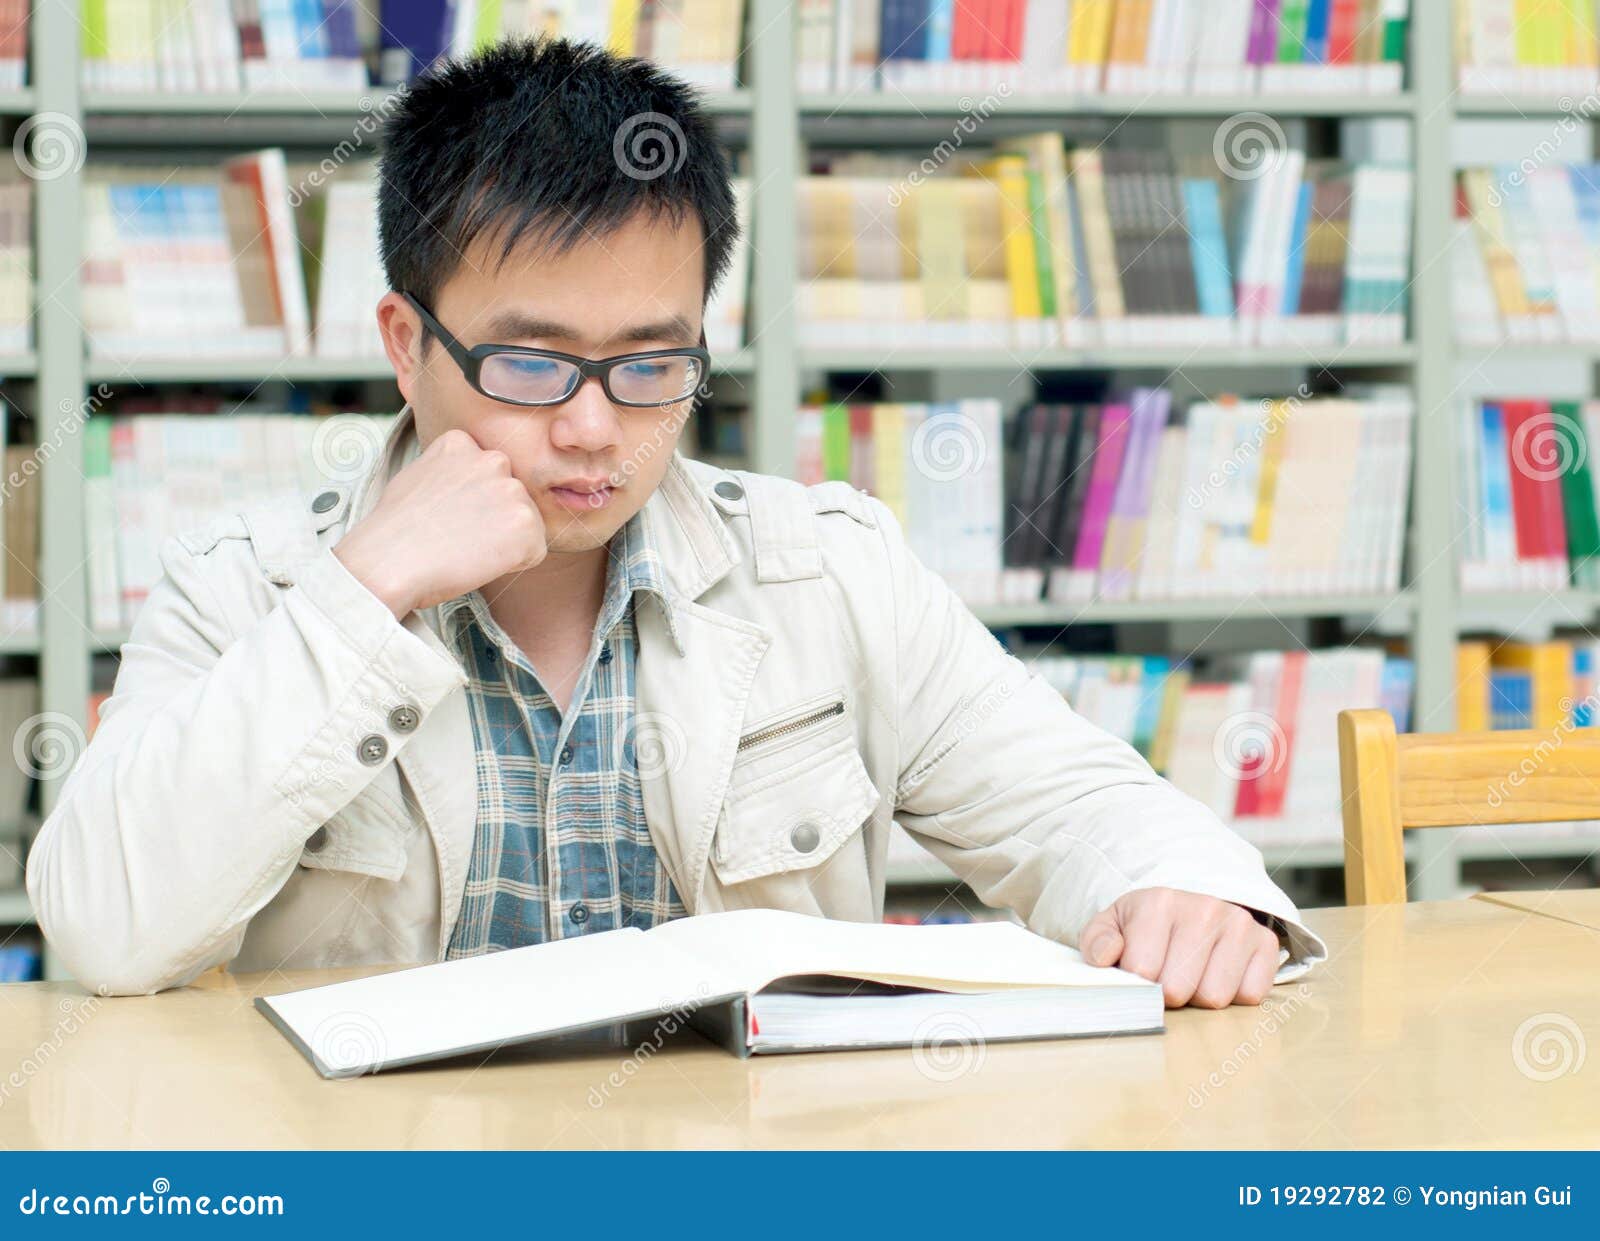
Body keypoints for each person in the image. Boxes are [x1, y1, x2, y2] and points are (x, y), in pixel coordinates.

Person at [28, 37, 1324, 1006]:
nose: (595, 429)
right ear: (405, 346)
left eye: (650, 364)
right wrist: (360, 596)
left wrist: (1183, 889)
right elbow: (106, 927)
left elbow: (1083, 805)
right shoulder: (248, 589)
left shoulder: (827, 569)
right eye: (531, 366)